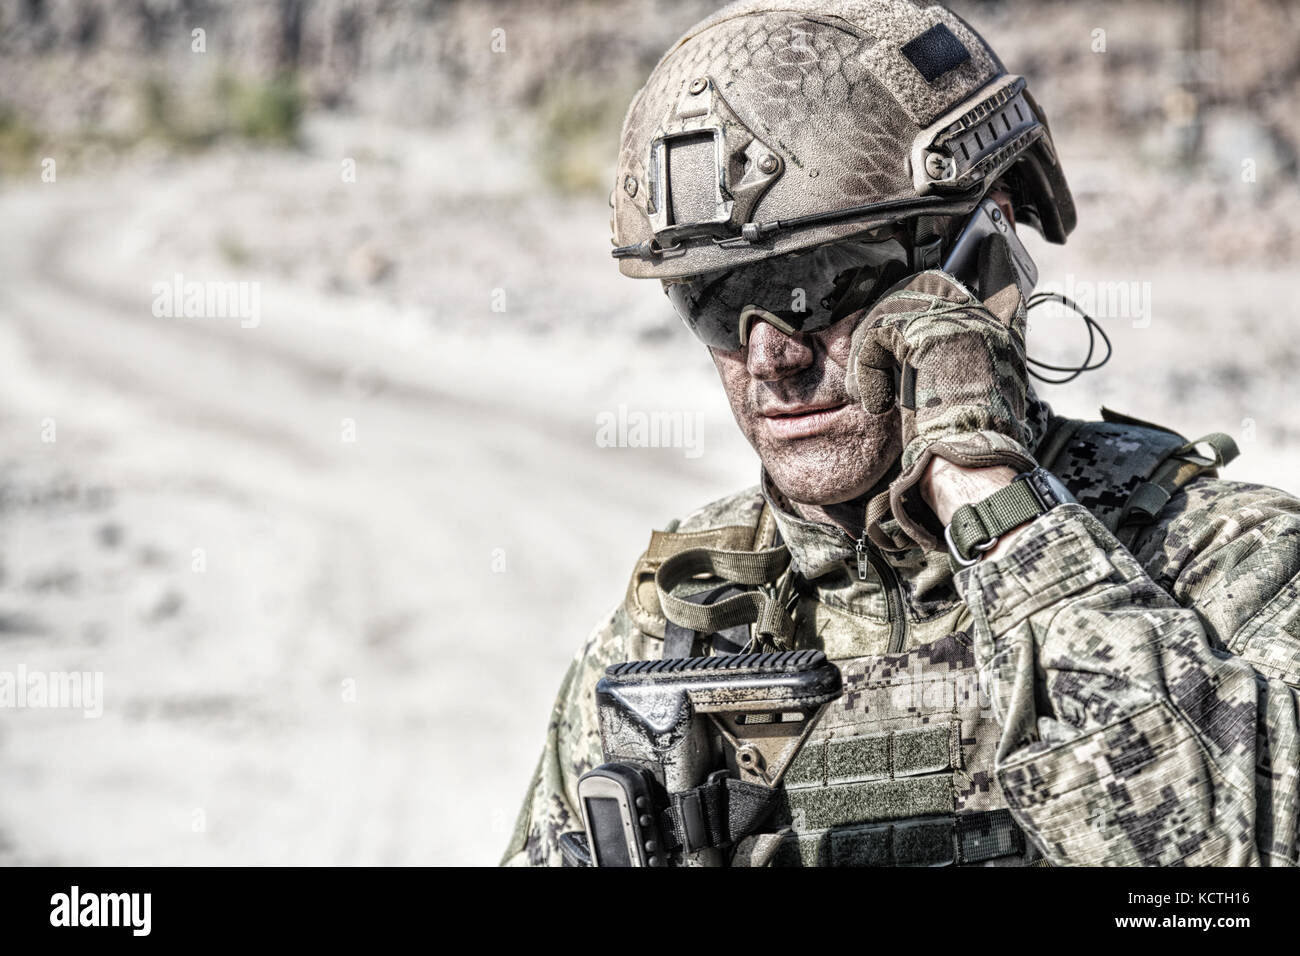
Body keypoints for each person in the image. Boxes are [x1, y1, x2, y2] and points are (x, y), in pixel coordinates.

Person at [502, 0, 1300, 867]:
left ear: (977, 260)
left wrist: (987, 490)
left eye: (816, 282)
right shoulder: (675, 623)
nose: (768, 353)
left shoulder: (1226, 565)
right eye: (717, 302)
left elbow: (1214, 878)